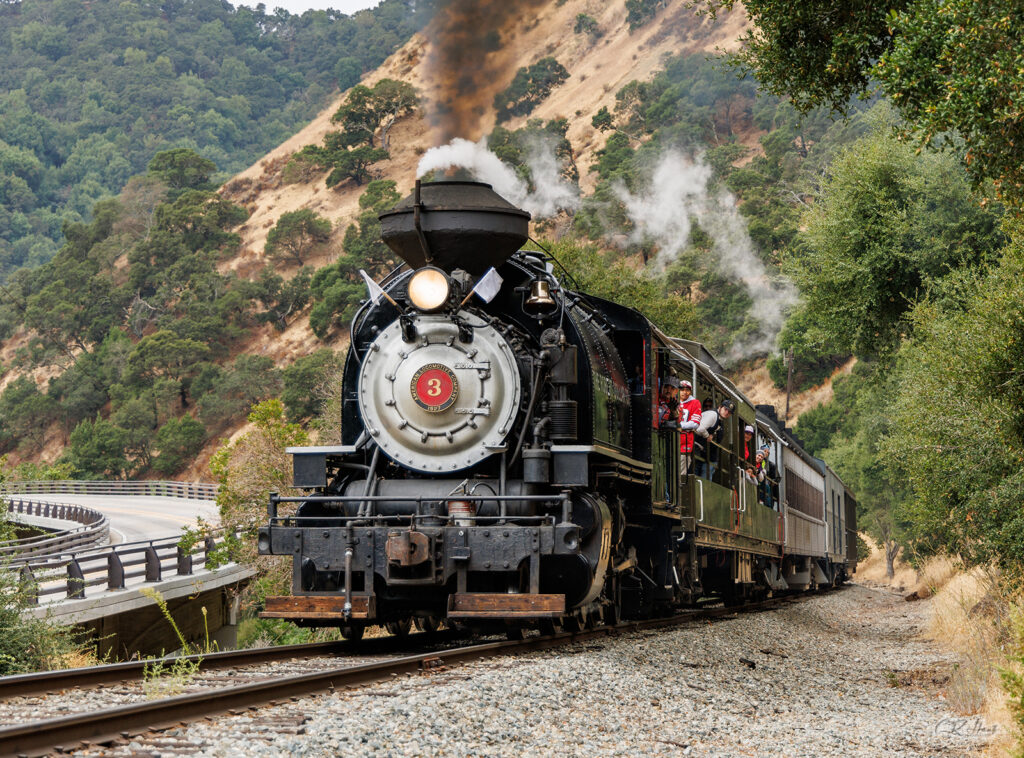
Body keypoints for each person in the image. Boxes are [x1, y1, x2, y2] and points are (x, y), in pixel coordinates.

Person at [694, 399, 734, 479]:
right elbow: (699, 428)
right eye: (725, 409)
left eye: (729, 412)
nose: (727, 413)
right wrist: (707, 435)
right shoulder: (713, 415)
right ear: (720, 407)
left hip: (700, 449)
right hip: (695, 446)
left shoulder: (718, 418)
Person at [677, 379, 703, 474]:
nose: (685, 392)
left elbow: (695, 423)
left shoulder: (695, 403)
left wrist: (679, 426)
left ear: (690, 391)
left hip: (685, 441)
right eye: (682, 389)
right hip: (673, 440)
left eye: (687, 390)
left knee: (681, 472)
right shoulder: (674, 400)